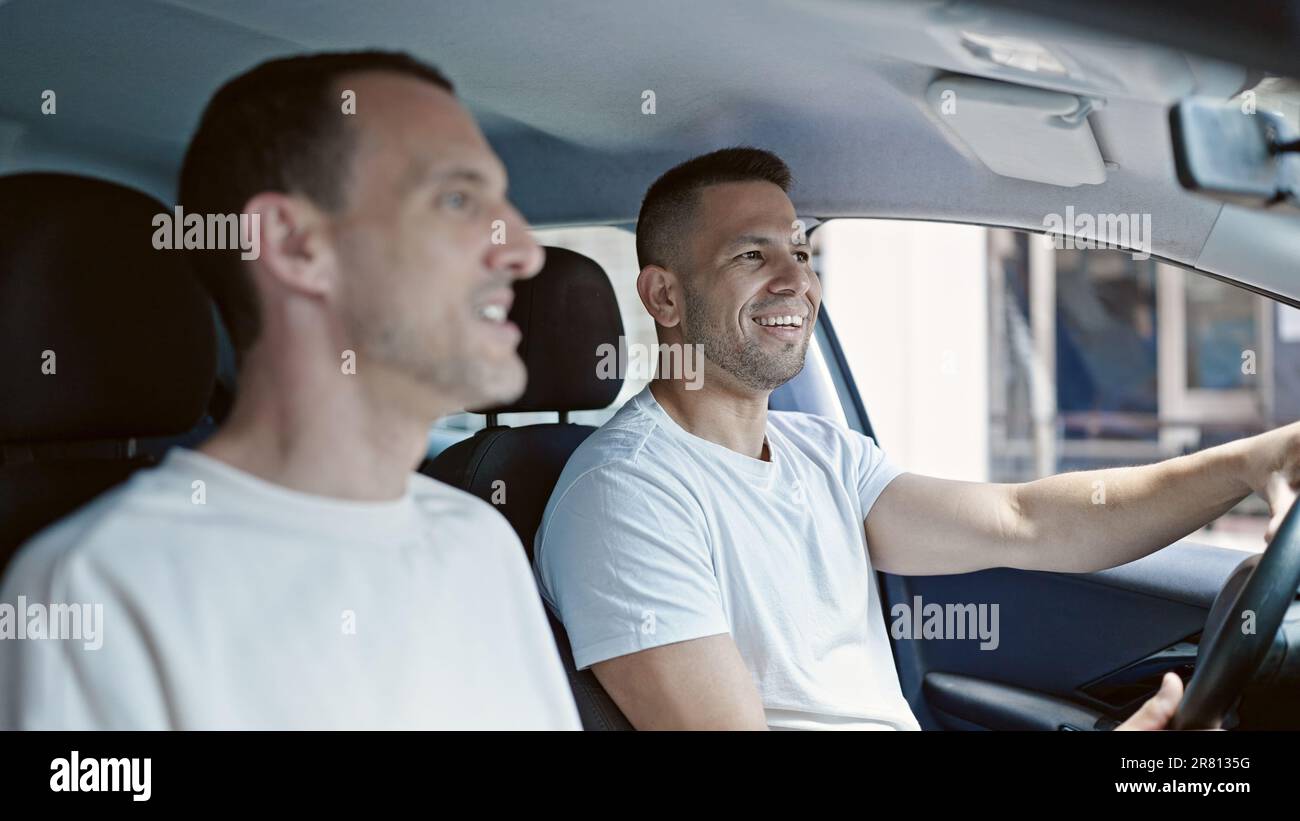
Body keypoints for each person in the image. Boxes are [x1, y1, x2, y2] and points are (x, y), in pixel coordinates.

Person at [534, 147, 1297, 730]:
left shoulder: (819, 454)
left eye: (800, 252)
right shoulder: (625, 498)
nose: (795, 280)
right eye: (750, 255)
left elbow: (1029, 522)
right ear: (664, 294)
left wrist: (1252, 459)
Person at [0, 51, 580, 730]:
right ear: (295, 243)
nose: (524, 250)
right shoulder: (100, 586)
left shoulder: (479, 539)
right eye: (458, 199)